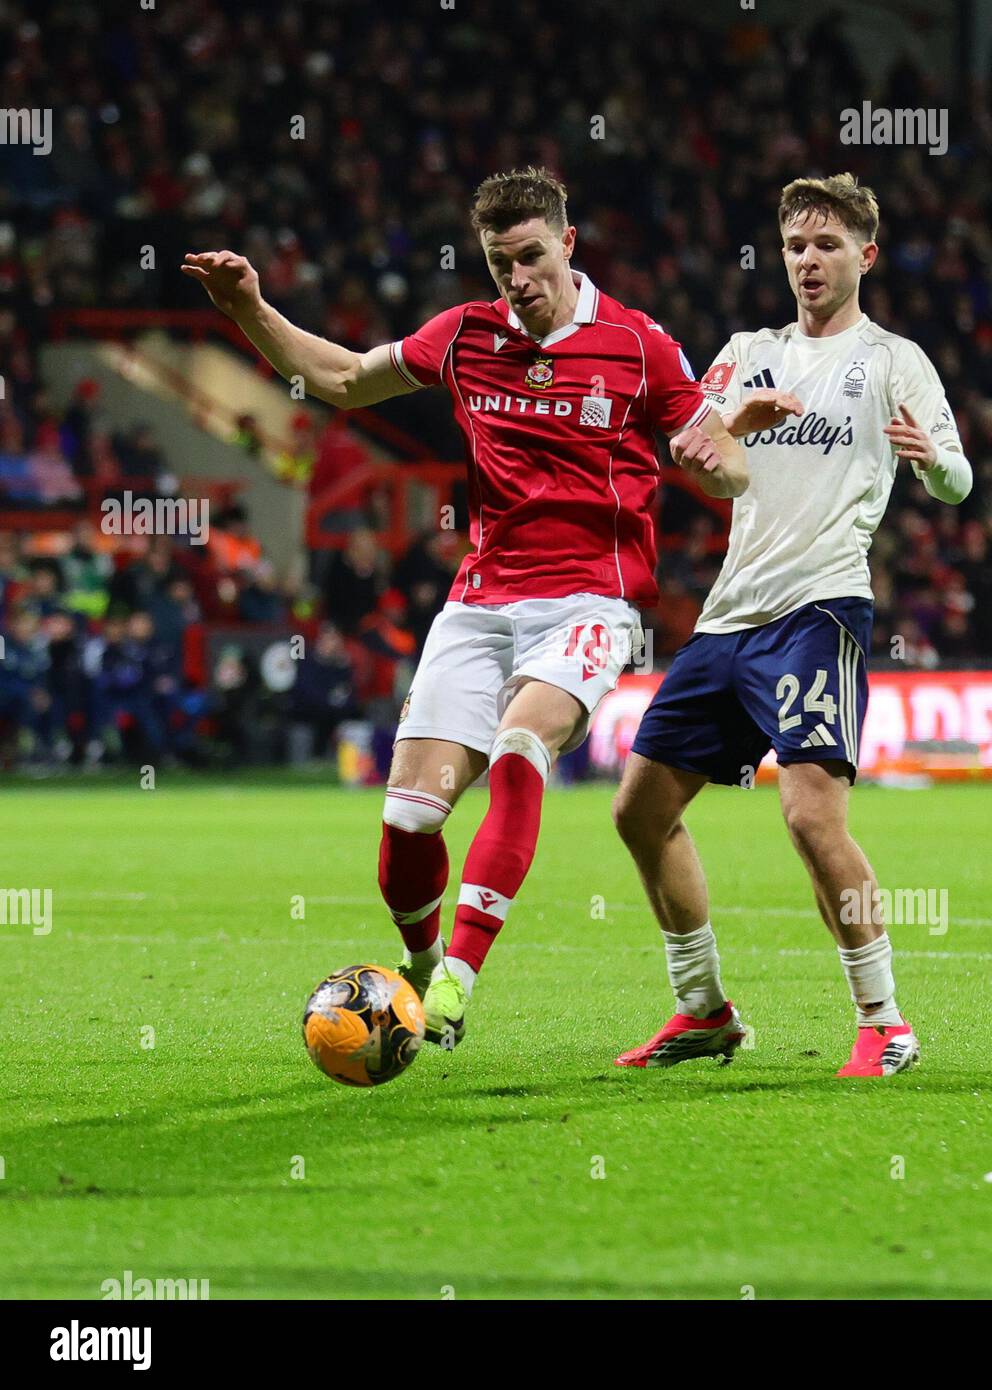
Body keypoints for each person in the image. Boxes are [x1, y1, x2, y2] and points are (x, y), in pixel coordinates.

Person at [182, 165, 747, 1048]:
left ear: (568, 244)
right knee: (409, 816)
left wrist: (714, 459)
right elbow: (340, 379)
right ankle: (416, 968)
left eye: (530, 257)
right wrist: (248, 310)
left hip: (592, 602)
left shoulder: (638, 346)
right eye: (498, 264)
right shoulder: (463, 336)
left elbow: (722, 461)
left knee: (524, 744)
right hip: (481, 603)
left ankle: (457, 981)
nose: (516, 281)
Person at [612, 173, 972, 1077]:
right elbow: (691, 455)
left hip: (820, 609)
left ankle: (885, 1022)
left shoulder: (893, 360)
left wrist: (933, 465)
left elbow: (960, 478)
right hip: (730, 615)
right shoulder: (745, 351)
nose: (807, 262)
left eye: (825, 246)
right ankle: (702, 1011)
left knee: (810, 817)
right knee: (638, 811)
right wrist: (733, 418)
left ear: (864, 256)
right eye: (794, 248)